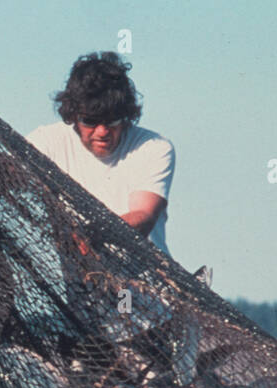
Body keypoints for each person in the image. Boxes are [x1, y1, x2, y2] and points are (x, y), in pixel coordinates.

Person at [26, 52, 175, 255]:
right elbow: (3, 174)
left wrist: (90, 235)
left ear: (127, 115)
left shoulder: (154, 147)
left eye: (112, 120)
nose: (102, 132)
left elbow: (143, 215)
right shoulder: (45, 142)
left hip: (147, 284)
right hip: (82, 284)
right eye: (90, 121)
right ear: (72, 116)